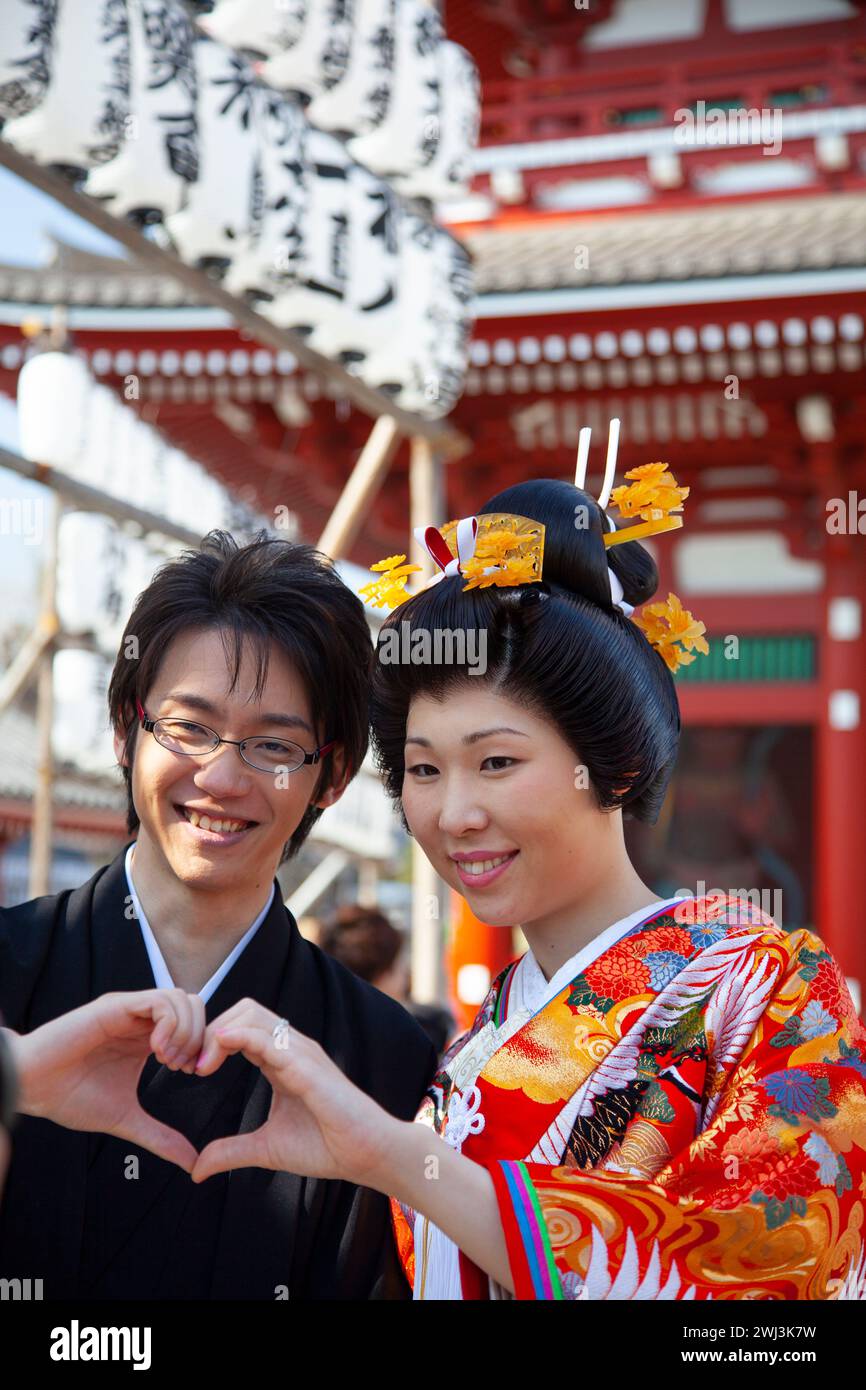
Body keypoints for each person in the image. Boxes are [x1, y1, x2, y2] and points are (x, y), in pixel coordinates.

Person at [185, 474, 866, 1301]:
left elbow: (770, 1281)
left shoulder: (770, 988)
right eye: (425, 770)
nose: (456, 813)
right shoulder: (474, 1051)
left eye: (498, 761)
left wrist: (397, 1156)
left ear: (613, 765)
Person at [0, 531, 437, 1300]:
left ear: (330, 777)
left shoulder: (382, 1055)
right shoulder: (9, 966)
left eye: (274, 745)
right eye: (188, 727)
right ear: (126, 732)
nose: (222, 776)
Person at [320, 904, 455, 1054]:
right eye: (399, 963)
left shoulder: (319, 1034)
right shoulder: (413, 1040)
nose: (406, 974)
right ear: (383, 974)